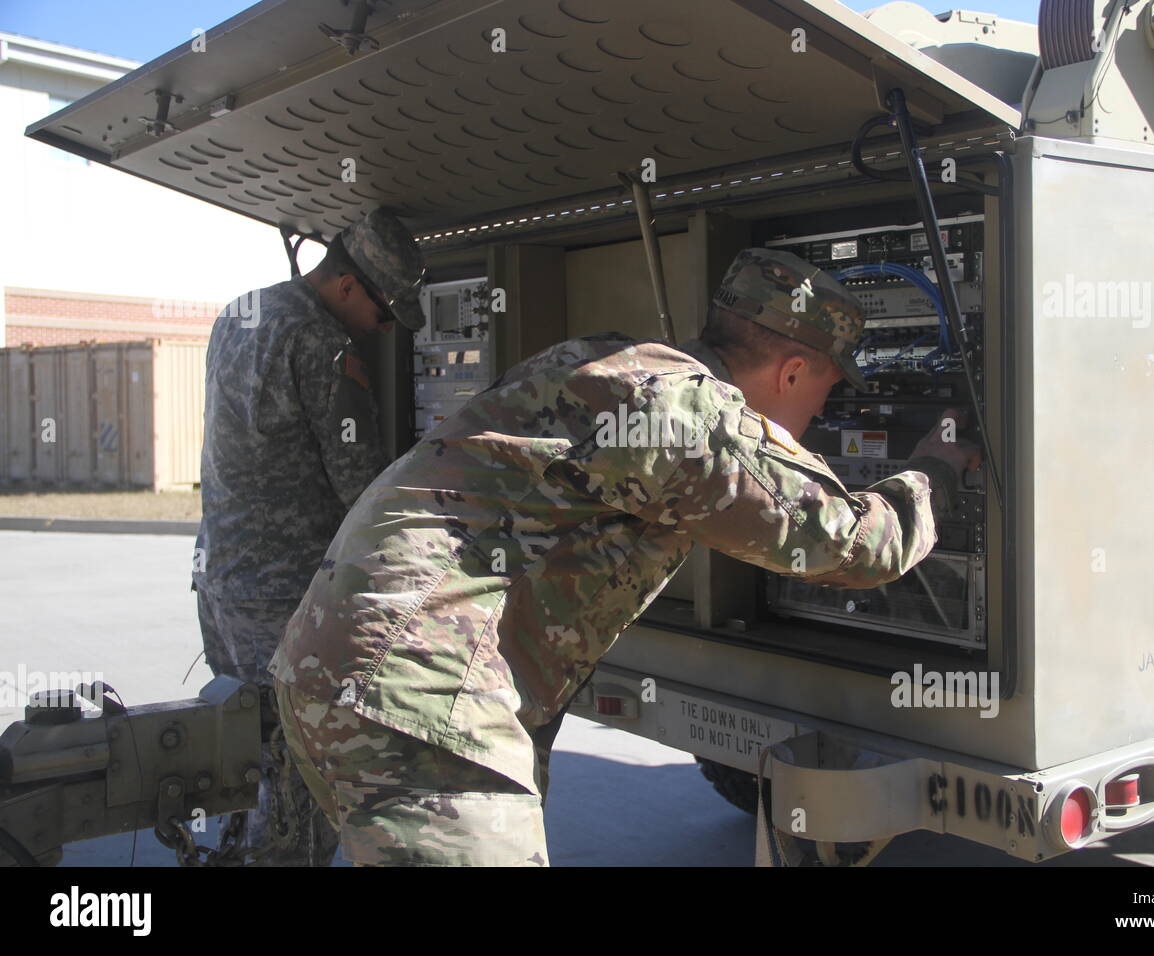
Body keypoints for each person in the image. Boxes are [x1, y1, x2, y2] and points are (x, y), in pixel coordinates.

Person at [268, 247, 981, 866]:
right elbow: (851, 544)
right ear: (793, 372)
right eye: (827, 393)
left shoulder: (613, 361)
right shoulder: (686, 415)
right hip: (418, 692)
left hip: (342, 666)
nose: (821, 415)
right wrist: (937, 470)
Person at [192, 208, 424, 866]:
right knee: (301, 777)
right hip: (287, 599)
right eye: (383, 313)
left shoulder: (239, 313)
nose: (383, 329)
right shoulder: (324, 343)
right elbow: (361, 486)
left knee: (245, 758)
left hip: (221, 584)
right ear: (348, 285)